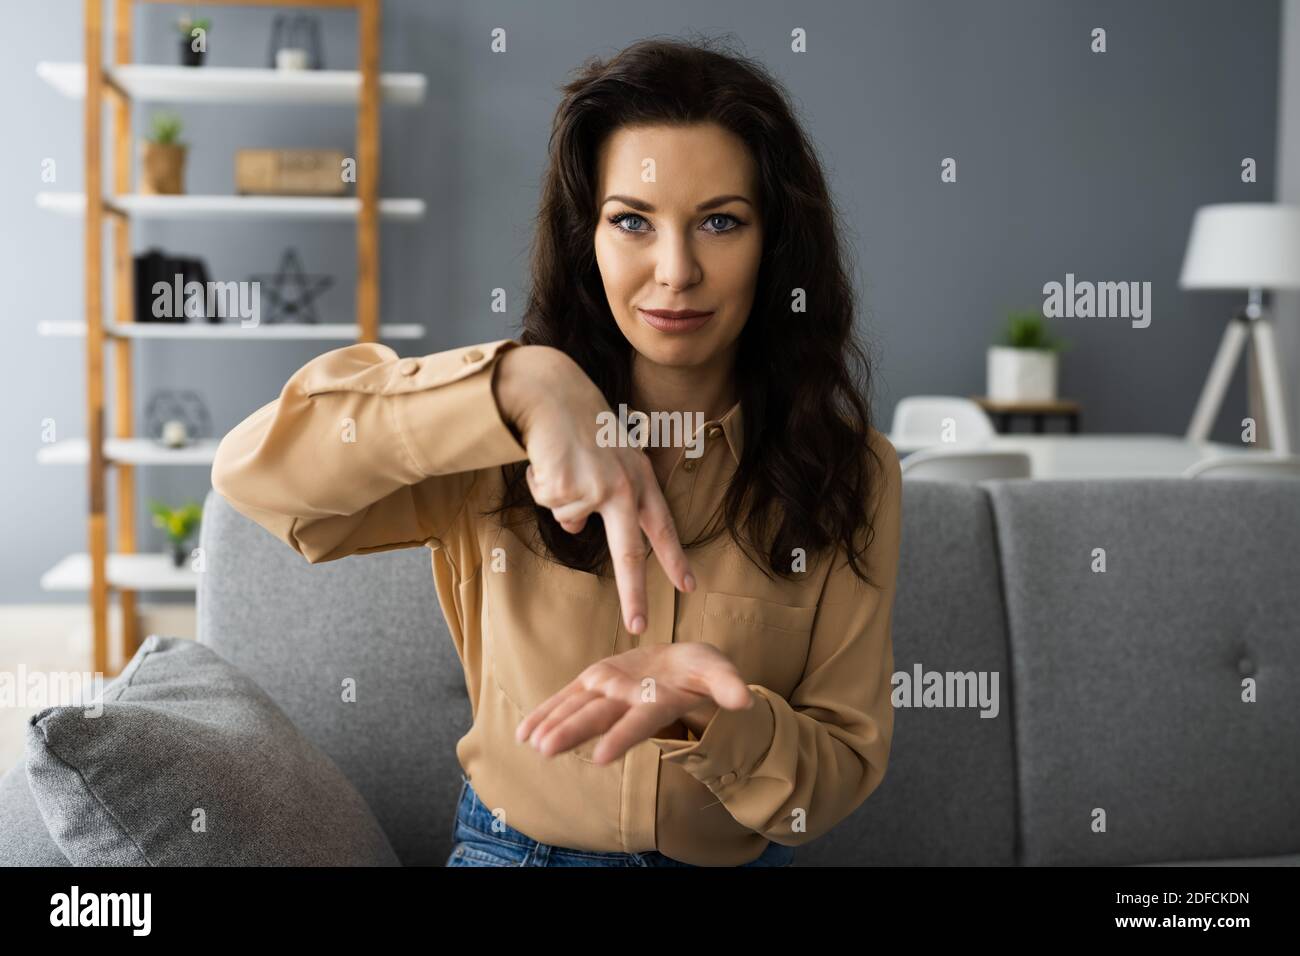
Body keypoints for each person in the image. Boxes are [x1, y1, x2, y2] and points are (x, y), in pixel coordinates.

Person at [210, 35, 902, 868]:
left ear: (775, 243)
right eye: (632, 222)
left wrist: (718, 717)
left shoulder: (851, 471)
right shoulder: (493, 433)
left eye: (720, 221)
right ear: (588, 239)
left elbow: (844, 765)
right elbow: (255, 474)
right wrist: (516, 387)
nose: (675, 271)